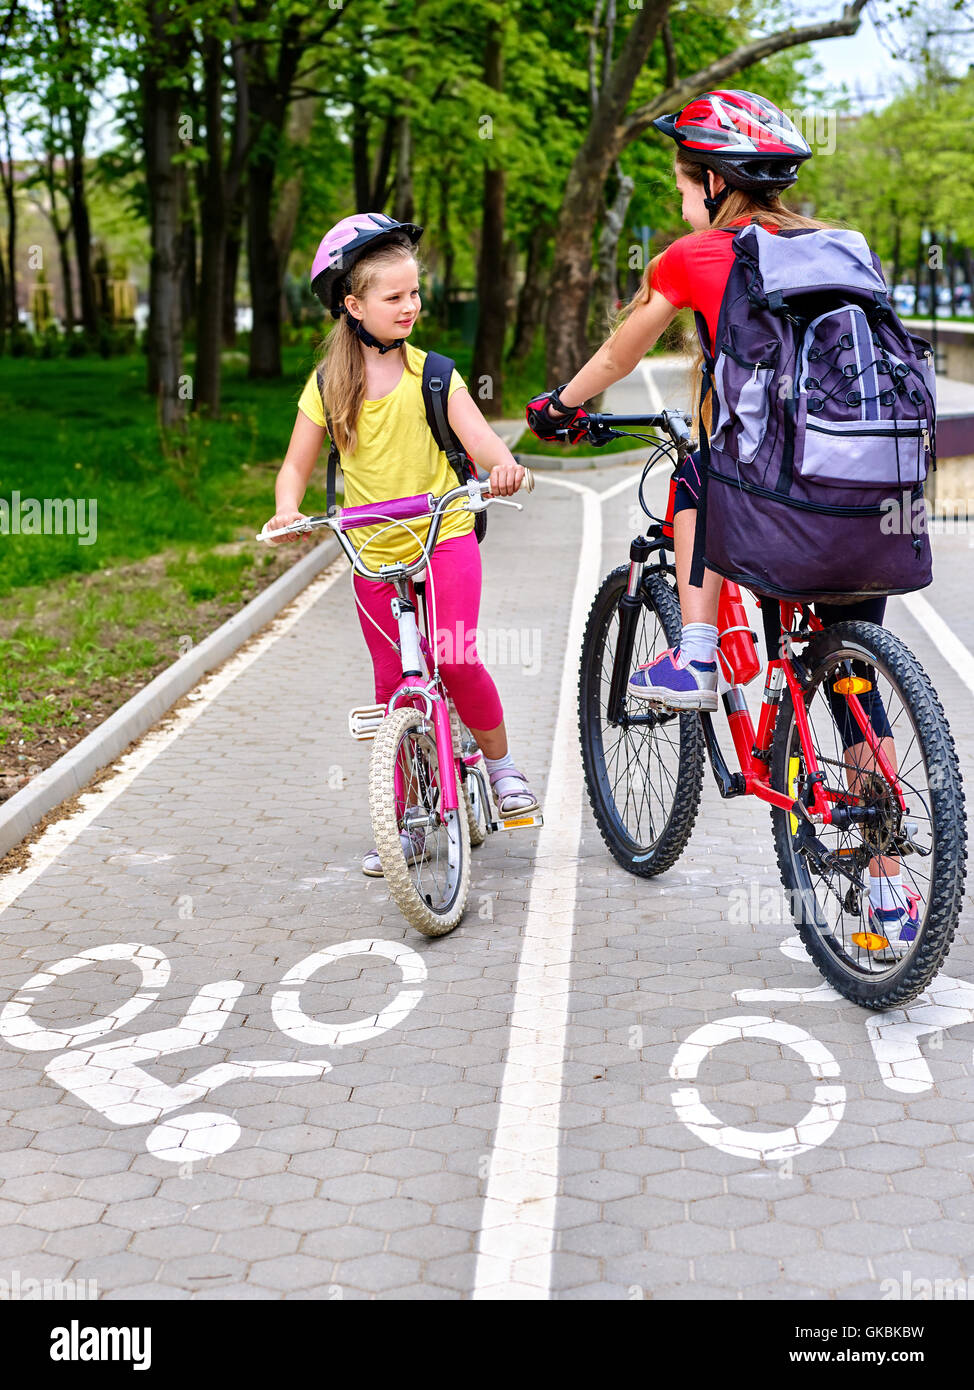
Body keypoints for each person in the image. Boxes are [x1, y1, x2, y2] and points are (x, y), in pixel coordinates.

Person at [527, 91, 918, 951]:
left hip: (776, 508)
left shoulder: (698, 254)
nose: (677, 198)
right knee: (854, 692)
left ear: (711, 181)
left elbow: (621, 350)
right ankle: (890, 882)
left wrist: (559, 405)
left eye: (680, 182)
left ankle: (696, 653)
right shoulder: (842, 248)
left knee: (699, 473)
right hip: (869, 499)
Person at [265, 212, 539, 875]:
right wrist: (284, 509)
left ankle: (500, 768)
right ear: (352, 305)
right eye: (395, 297)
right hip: (372, 553)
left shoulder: (435, 376)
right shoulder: (329, 386)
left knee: (455, 655)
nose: (411, 306)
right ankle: (409, 821)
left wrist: (502, 468)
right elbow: (296, 465)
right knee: (394, 686)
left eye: (415, 293)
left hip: (442, 535)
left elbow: (484, 444)